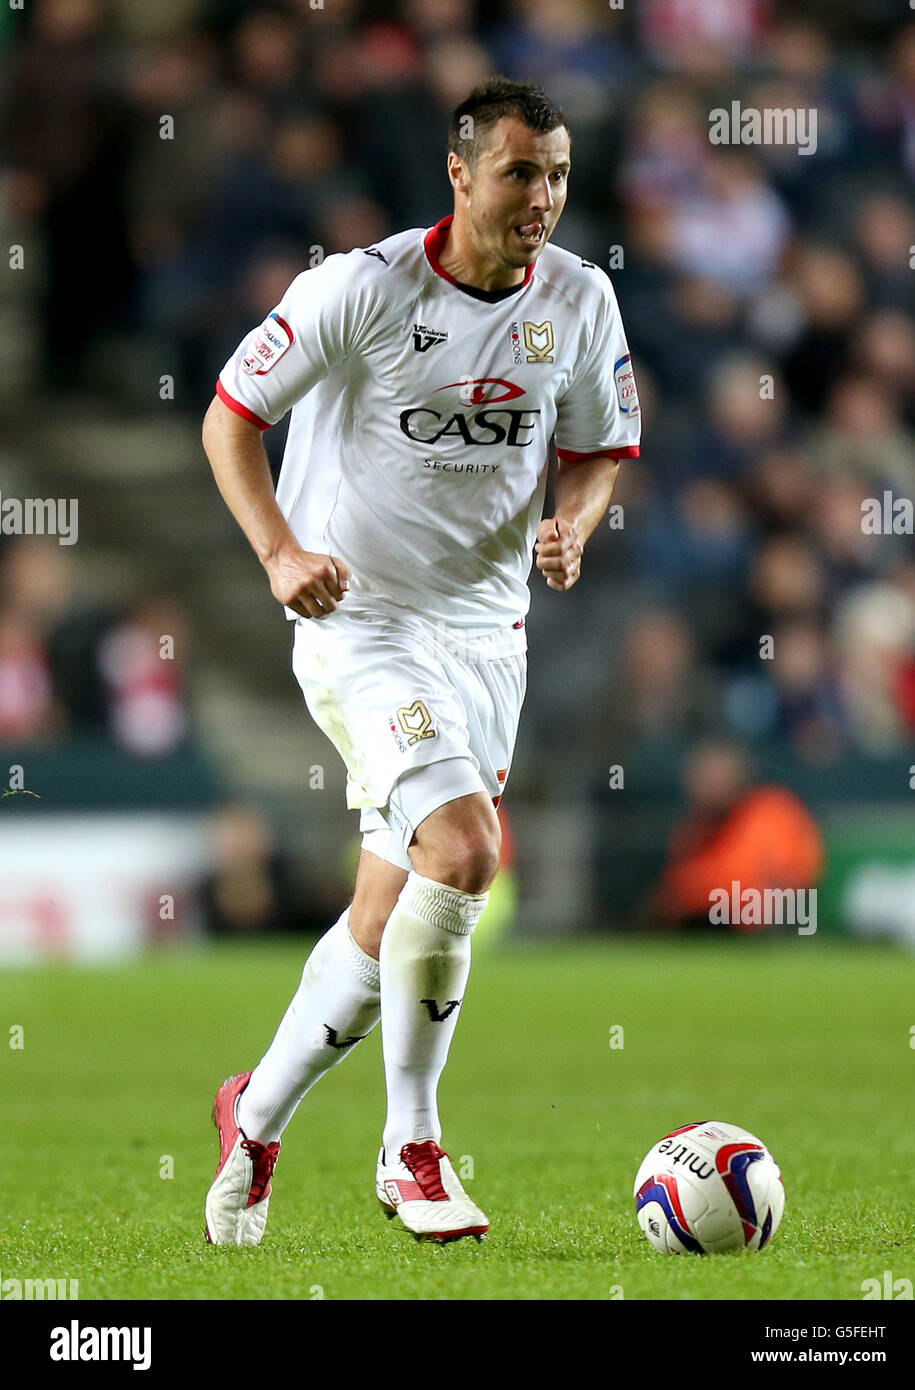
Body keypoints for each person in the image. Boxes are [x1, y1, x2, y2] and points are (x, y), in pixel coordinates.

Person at [201, 77, 640, 1246]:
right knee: (466, 848)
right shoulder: (362, 288)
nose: (541, 196)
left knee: (391, 904)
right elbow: (229, 416)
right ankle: (413, 1143)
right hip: (360, 620)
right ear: (459, 172)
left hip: (488, 637)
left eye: (554, 172)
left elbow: (600, 448)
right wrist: (280, 550)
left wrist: (575, 525)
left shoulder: (581, 300)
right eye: (517, 172)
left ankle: (256, 1114)